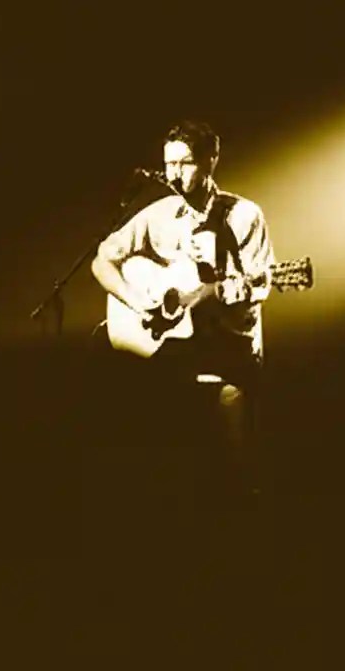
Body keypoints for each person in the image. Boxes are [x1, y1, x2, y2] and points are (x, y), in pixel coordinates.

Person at [90, 120, 275, 501]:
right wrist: (137, 299)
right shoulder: (159, 213)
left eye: (184, 163)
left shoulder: (244, 216)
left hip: (229, 353)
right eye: (168, 164)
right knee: (172, 464)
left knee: (235, 466)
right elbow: (102, 261)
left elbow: (260, 285)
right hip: (176, 352)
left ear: (211, 160)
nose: (173, 174)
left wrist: (226, 290)